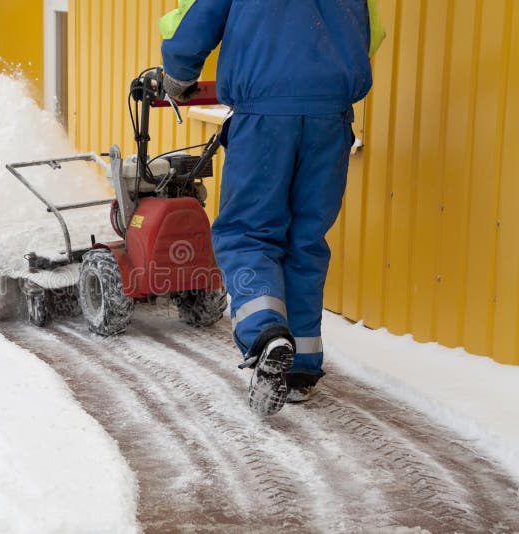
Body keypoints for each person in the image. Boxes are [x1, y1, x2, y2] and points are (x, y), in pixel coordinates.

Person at [159, 0, 385, 416]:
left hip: (264, 114)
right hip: (331, 118)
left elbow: (194, 23)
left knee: (247, 233)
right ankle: (300, 368)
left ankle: (265, 333)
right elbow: (372, 33)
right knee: (306, 240)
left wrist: (178, 75)